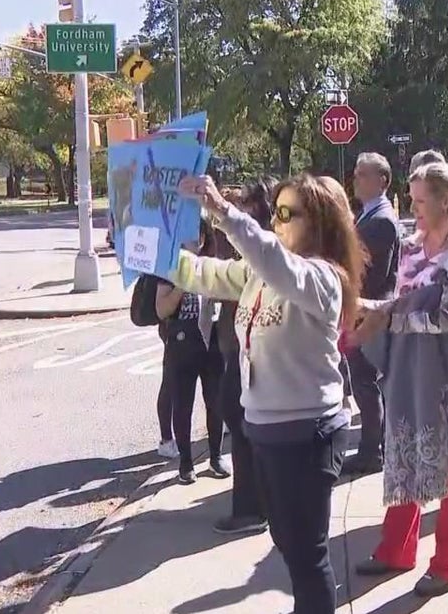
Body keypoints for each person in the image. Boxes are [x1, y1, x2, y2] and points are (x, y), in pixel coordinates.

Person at [173, 173, 366, 614]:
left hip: (307, 432)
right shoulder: (262, 273)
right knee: (288, 542)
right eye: (274, 211)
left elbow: (276, 261)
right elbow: (208, 273)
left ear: (317, 222)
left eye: (287, 213)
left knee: (308, 555)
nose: (276, 221)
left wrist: (222, 211)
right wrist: (154, 254)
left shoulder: (320, 277)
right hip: (263, 429)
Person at [351, 161, 448, 598]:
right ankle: (397, 548)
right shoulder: (410, 246)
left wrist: (384, 317)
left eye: (420, 198)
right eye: (410, 197)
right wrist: (369, 310)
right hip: (407, 368)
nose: (412, 205)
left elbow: (446, 314)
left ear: (445, 200)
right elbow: (400, 300)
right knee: (401, 455)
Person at [210, 177, 276, 535]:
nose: (240, 208)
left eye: (246, 203)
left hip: (251, 348)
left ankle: (250, 509)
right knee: (240, 422)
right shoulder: (249, 245)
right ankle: (254, 504)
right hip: (240, 345)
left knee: (240, 421)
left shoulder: (264, 248)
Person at [342, 152, 402, 476]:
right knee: (364, 384)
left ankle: (371, 452)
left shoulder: (380, 220)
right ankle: (372, 448)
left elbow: (372, 274)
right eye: (355, 172)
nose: (355, 178)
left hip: (370, 312)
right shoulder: (368, 215)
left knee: (366, 384)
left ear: (382, 180)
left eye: (362, 174)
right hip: (364, 310)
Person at [154, 231, 230, 484]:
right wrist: (182, 284)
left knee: (216, 400)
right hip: (182, 341)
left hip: (213, 339)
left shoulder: (213, 264)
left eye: (199, 235)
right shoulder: (170, 266)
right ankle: (185, 463)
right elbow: (162, 308)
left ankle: (216, 456)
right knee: (183, 403)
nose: (195, 241)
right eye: (189, 235)